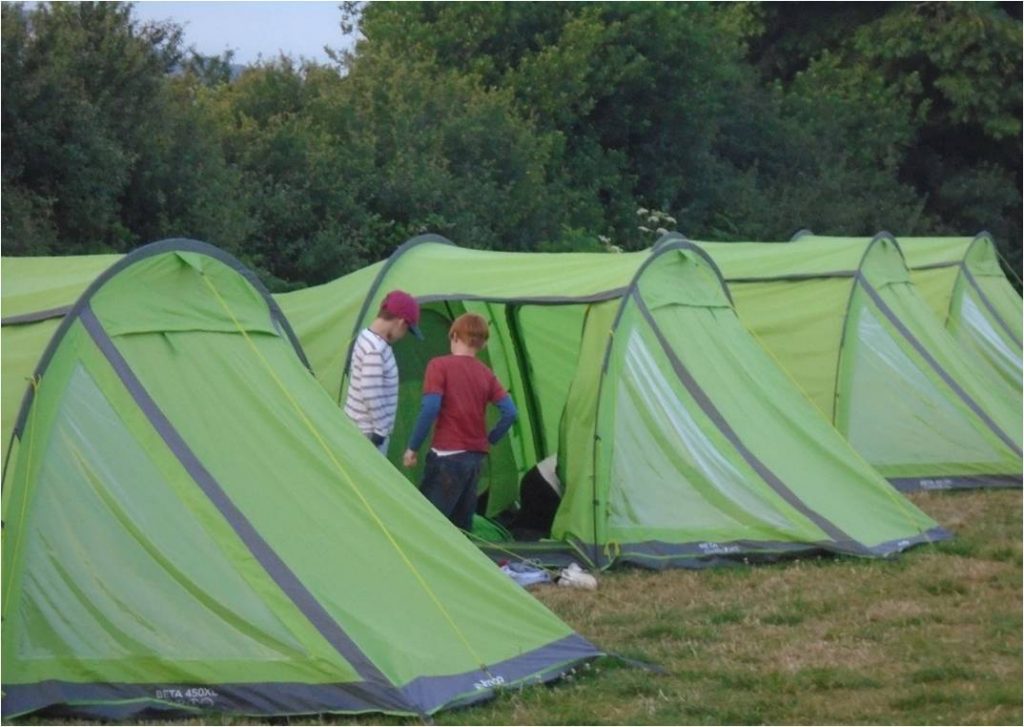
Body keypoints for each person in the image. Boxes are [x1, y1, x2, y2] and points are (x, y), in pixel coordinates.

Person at [403, 313, 517, 530]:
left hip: (446, 458)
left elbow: (430, 407)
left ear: (454, 336)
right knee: (461, 526)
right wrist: (490, 438)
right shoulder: (486, 374)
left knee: (429, 523)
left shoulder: (439, 366)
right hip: (475, 460)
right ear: (483, 344)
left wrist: (413, 447)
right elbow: (510, 412)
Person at [344, 290, 422, 455]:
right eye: (406, 330)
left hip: (359, 425)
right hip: (368, 432)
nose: (402, 336)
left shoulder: (365, 336)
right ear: (401, 323)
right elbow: (370, 391)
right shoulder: (376, 349)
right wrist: (380, 431)